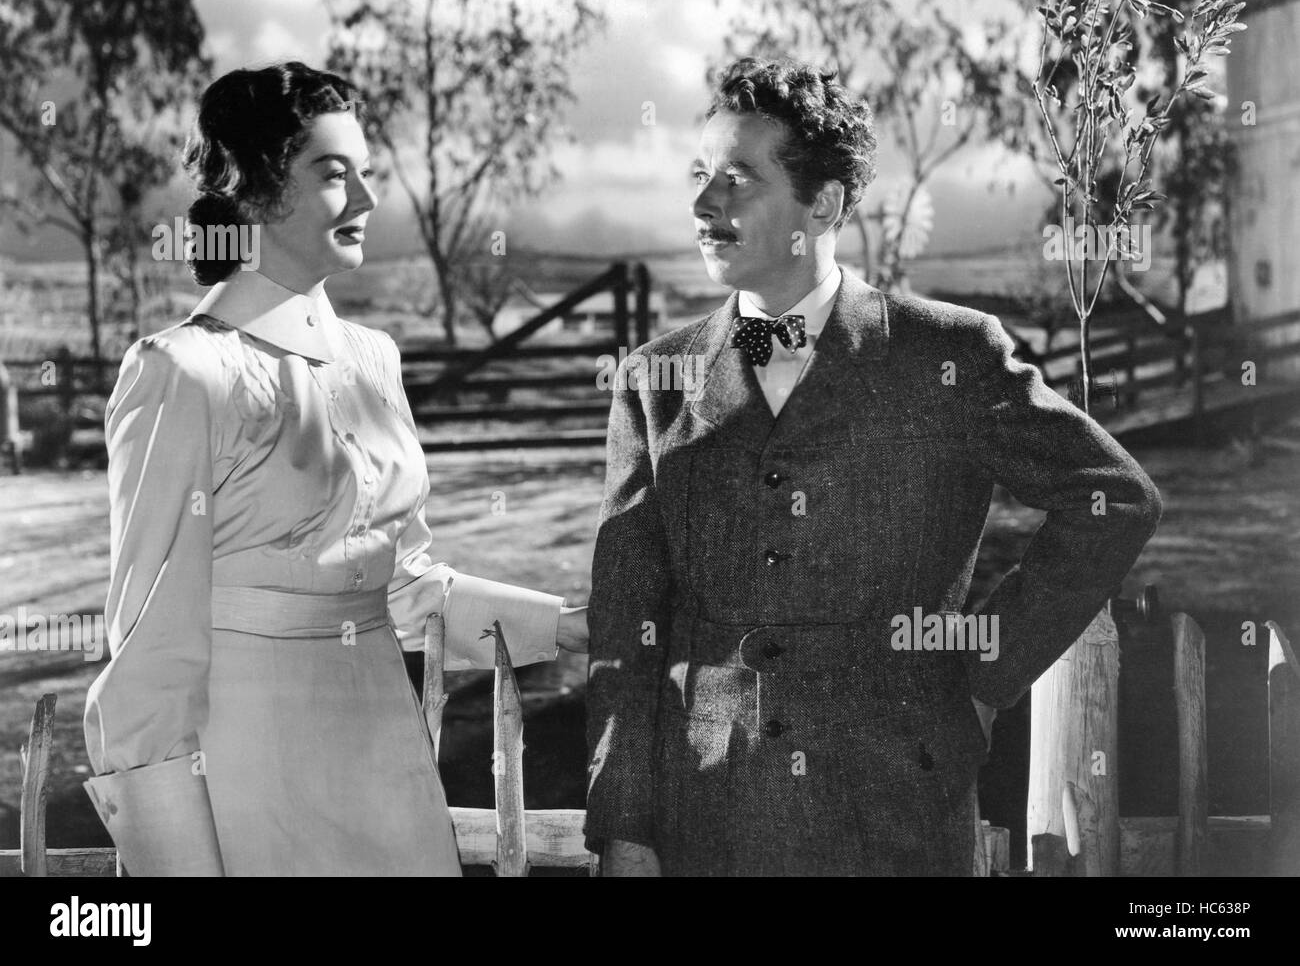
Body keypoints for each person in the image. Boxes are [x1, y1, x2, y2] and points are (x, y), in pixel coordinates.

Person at [583, 56, 1163, 877]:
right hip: (706, 818)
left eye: (738, 180)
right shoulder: (655, 380)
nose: (704, 204)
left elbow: (1114, 499)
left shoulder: (945, 354)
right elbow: (624, 628)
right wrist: (625, 825)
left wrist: (984, 669)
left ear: (822, 203)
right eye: (699, 174)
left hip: (895, 811)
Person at [82, 61, 587, 877]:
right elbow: (149, 658)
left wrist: (563, 626)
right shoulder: (182, 371)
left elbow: (402, 586)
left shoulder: (373, 361)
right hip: (251, 782)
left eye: (368, 174)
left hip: (387, 770)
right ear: (251, 187)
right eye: (332, 173)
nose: (366, 199)